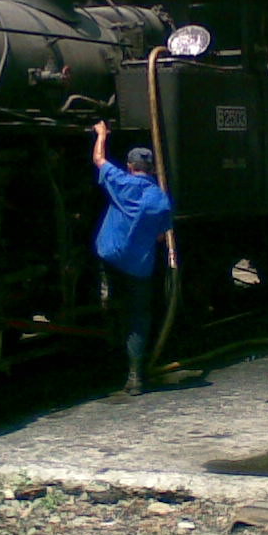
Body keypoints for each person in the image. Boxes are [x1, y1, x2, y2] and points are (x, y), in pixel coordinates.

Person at [92, 121, 173, 396]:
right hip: (139, 266)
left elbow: (99, 159)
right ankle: (136, 377)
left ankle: (106, 294)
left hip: (111, 256)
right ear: (151, 169)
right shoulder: (160, 200)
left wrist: (102, 134)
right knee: (139, 317)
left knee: (116, 301)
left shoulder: (121, 182)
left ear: (130, 166)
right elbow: (162, 237)